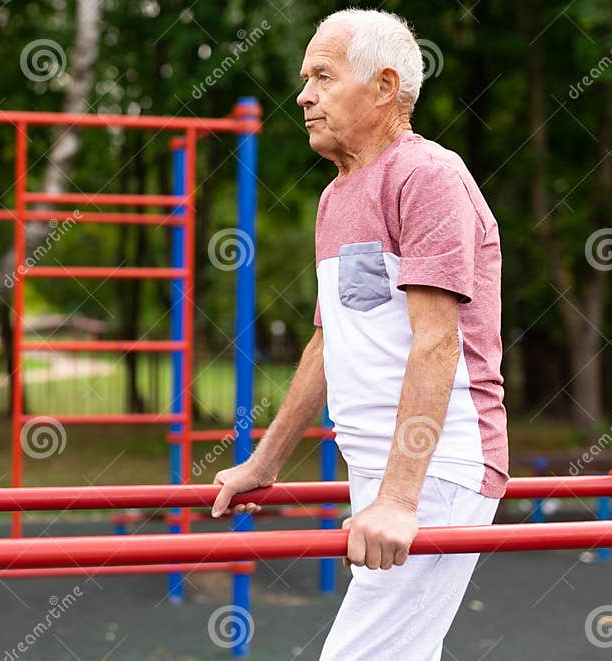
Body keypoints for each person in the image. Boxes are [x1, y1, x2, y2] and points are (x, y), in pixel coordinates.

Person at [209, 8, 509, 660]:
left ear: (382, 87)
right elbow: (328, 342)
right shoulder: (336, 195)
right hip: (378, 468)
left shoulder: (425, 176)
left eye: (322, 76)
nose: (304, 95)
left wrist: (400, 497)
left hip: (438, 464)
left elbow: (437, 340)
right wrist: (265, 462)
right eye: (304, 78)